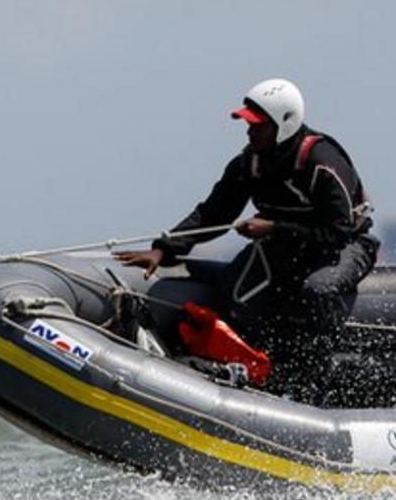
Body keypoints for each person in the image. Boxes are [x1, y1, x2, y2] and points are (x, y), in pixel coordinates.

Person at [116, 78, 378, 396]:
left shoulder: (321, 161)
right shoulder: (248, 163)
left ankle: (316, 383)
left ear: (284, 123)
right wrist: (163, 250)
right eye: (248, 124)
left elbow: (337, 232)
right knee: (236, 291)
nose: (249, 132)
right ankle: (264, 369)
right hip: (286, 246)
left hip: (345, 245)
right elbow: (214, 212)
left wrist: (274, 228)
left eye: (258, 125)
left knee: (316, 291)